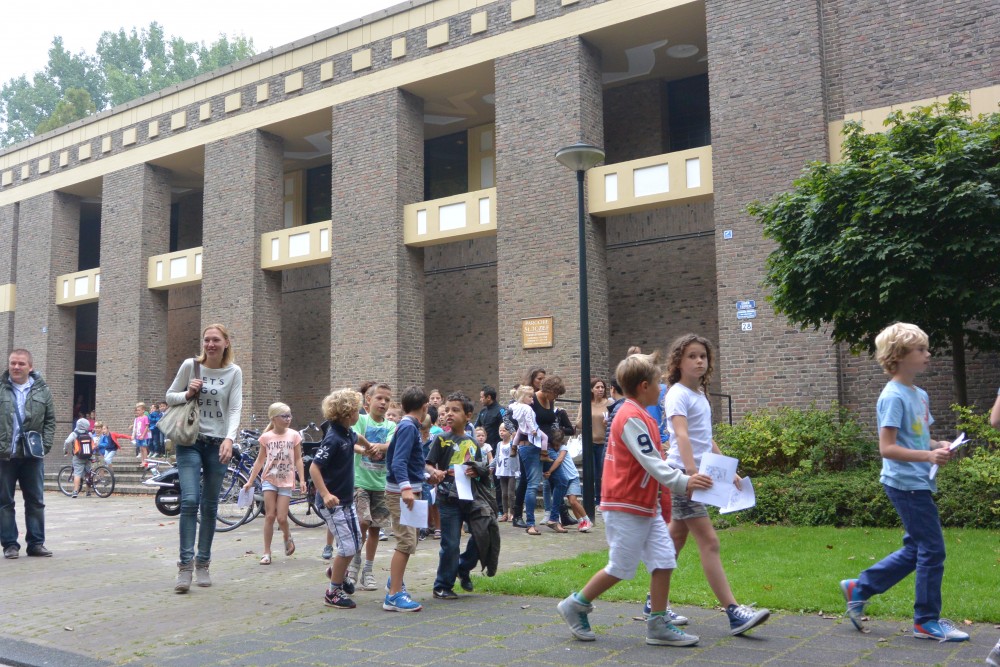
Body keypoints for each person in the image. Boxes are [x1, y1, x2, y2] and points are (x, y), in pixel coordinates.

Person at [557, 353, 712, 646]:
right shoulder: (630, 417)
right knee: (621, 566)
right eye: (658, 384)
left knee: (664, 559)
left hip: (644, 505)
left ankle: (658, 624)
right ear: (644, 386)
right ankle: (576, 604)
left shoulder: (641, 416)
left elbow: (653, 459)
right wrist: (684, 482)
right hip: (625, 505)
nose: (661, 390)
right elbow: (651, 461)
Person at [840, 323, 968, 642]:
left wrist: (939, 445)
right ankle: (925, 620)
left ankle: (860, 587)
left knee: (917, 548)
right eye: (921, 349)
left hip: (919, 481)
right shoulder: (893, 396)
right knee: (932, 549)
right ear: (898, 356)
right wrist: (928, 456)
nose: (928, 354)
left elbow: (919, 439)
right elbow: (887, 448)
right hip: (904, 483)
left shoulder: (919, 395)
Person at [663, 334, 770, 636]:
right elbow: (682, 436)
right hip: (684, 475)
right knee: (709, 542)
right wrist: (691, 476)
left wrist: (728, 469)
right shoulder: (677, 394)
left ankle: (653, 603)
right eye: (692, 356)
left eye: (703, 356)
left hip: (695, 474)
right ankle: (734, 612)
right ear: (678, 362)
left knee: (675, 539)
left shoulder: (700, 394)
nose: (699, 361)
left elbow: (704, 438)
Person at [166, 323, 243, 593]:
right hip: (190, 440)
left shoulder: (234, 372)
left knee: (210, 506)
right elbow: (169, 397)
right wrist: (188, 393)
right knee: (190, 500)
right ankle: (185, 566)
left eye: (215, 340)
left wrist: (229, 439)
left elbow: (234, 408)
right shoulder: (191, 366)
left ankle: (203, 563)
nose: (210, 344)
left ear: (226, 343)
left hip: (218, 444)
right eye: (207, 340)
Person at [426, 392, 490, 599]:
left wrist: (476, 471)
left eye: (455, 410)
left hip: (470, 498)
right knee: (451, 543)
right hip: (447, 498)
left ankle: (463, 566)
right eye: (447, 411)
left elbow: (481, 469)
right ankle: (442, 585)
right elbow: (428, 464)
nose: (449, 414)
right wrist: (434, 472)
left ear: (468, 416)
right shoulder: (441, 439)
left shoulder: (473, 443)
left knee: (483, 534)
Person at [311, 388, 364, 609]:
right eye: (357, 410)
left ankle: (337, 572)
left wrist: (368, 448)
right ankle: (333, 592)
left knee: (357, 541)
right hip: (332, 503)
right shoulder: (333, 438)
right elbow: (314, 468)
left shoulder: (347, 432)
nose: (359, 414)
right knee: (347, 547)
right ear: (348, 414)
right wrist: (325, 494)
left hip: (346, 499)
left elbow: (356, 439)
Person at [1, 349, 56, 559]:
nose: (16, 367)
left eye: (21, 364)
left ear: (30, 367)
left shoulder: (43, 391)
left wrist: (45, 445)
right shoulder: (1, 388)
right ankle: (10, 545)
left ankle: (36, 543)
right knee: (4, 502)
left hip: (32, 456)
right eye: (13, 363)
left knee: (35, 501)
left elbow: (50, 421)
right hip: (4, 454)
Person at [383, 386, 430, 612]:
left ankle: (395, 581)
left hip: (412, 490)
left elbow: (411, 461)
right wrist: (405, 488)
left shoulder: (409, 426)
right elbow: (398, 461)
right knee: (405, 542)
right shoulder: (408, 427)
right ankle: (393, 596)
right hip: (401, 494)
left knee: (412, 541)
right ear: (425, 407)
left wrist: (429, 474)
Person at [243, 402, 306, 565]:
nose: (288, 419)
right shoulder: (266, 437)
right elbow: (259, 461)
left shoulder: (294, 435)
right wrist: (250, 481)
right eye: (284, 416)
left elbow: (298, 459)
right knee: (270, 516)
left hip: (286, 480)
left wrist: (302, 479)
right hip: (269, 479)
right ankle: (266, 552)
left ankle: (287, 535)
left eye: (289, 416)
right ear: (274, 418)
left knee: (282, 518)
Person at [348, 383, 396, 592]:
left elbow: (392, 444)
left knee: (376, 527)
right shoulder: (361, 421)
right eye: (379, 398)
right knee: (362, 522)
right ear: (368, 400)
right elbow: (353, 442)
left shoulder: (391, 425)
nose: (383, 403)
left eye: (387, 399)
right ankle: (354, 565)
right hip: (361, 482)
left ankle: (368, 569)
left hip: (381, 483)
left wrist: (380, 447)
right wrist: (364, 449)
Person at [577, 377, 610, 506]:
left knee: (601, 473)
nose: (601, 390)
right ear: (591, 389)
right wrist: (586, 415)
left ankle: (600, 499)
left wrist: (608, 423)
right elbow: (578, 424)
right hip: (589, 443)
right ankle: (589, 499)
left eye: (602, 387)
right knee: (590, 473)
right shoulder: (585, 403)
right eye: (597, 387)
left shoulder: (609, 403)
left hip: (604, 443)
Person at [63, 418, 96, 498]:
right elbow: (93, 443)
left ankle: (75, 491)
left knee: (77, 473)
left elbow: (67, 442)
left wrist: (65, 450)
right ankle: (88, 492)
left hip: (78, 457)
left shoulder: (74, 433)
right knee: (88, 473)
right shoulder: (89, 433)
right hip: (88, 456)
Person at [494, 423, 518, 522]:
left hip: (511, 471)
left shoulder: (513, 443)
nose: (502, 432)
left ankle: (512, 513)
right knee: (503, 493)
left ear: (509, 432)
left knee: (511, 493)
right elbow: (496, 457)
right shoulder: (499, 444)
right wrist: (491, 466)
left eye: (504, 430)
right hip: (502, 470)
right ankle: (505, 513)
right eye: (500, 430)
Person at [133, 402, 150, 467]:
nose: (138, 411)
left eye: (139, 410)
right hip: (138, 436)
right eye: (137, 410)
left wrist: (143, 435)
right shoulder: (137, 418)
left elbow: (146, 426)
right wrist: (135, 435)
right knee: (140, 449)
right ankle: (142, 461)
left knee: (144, 448)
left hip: (143, 436)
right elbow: (136, 427)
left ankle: (145, 461)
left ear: (143, 410)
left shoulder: (145, 417)